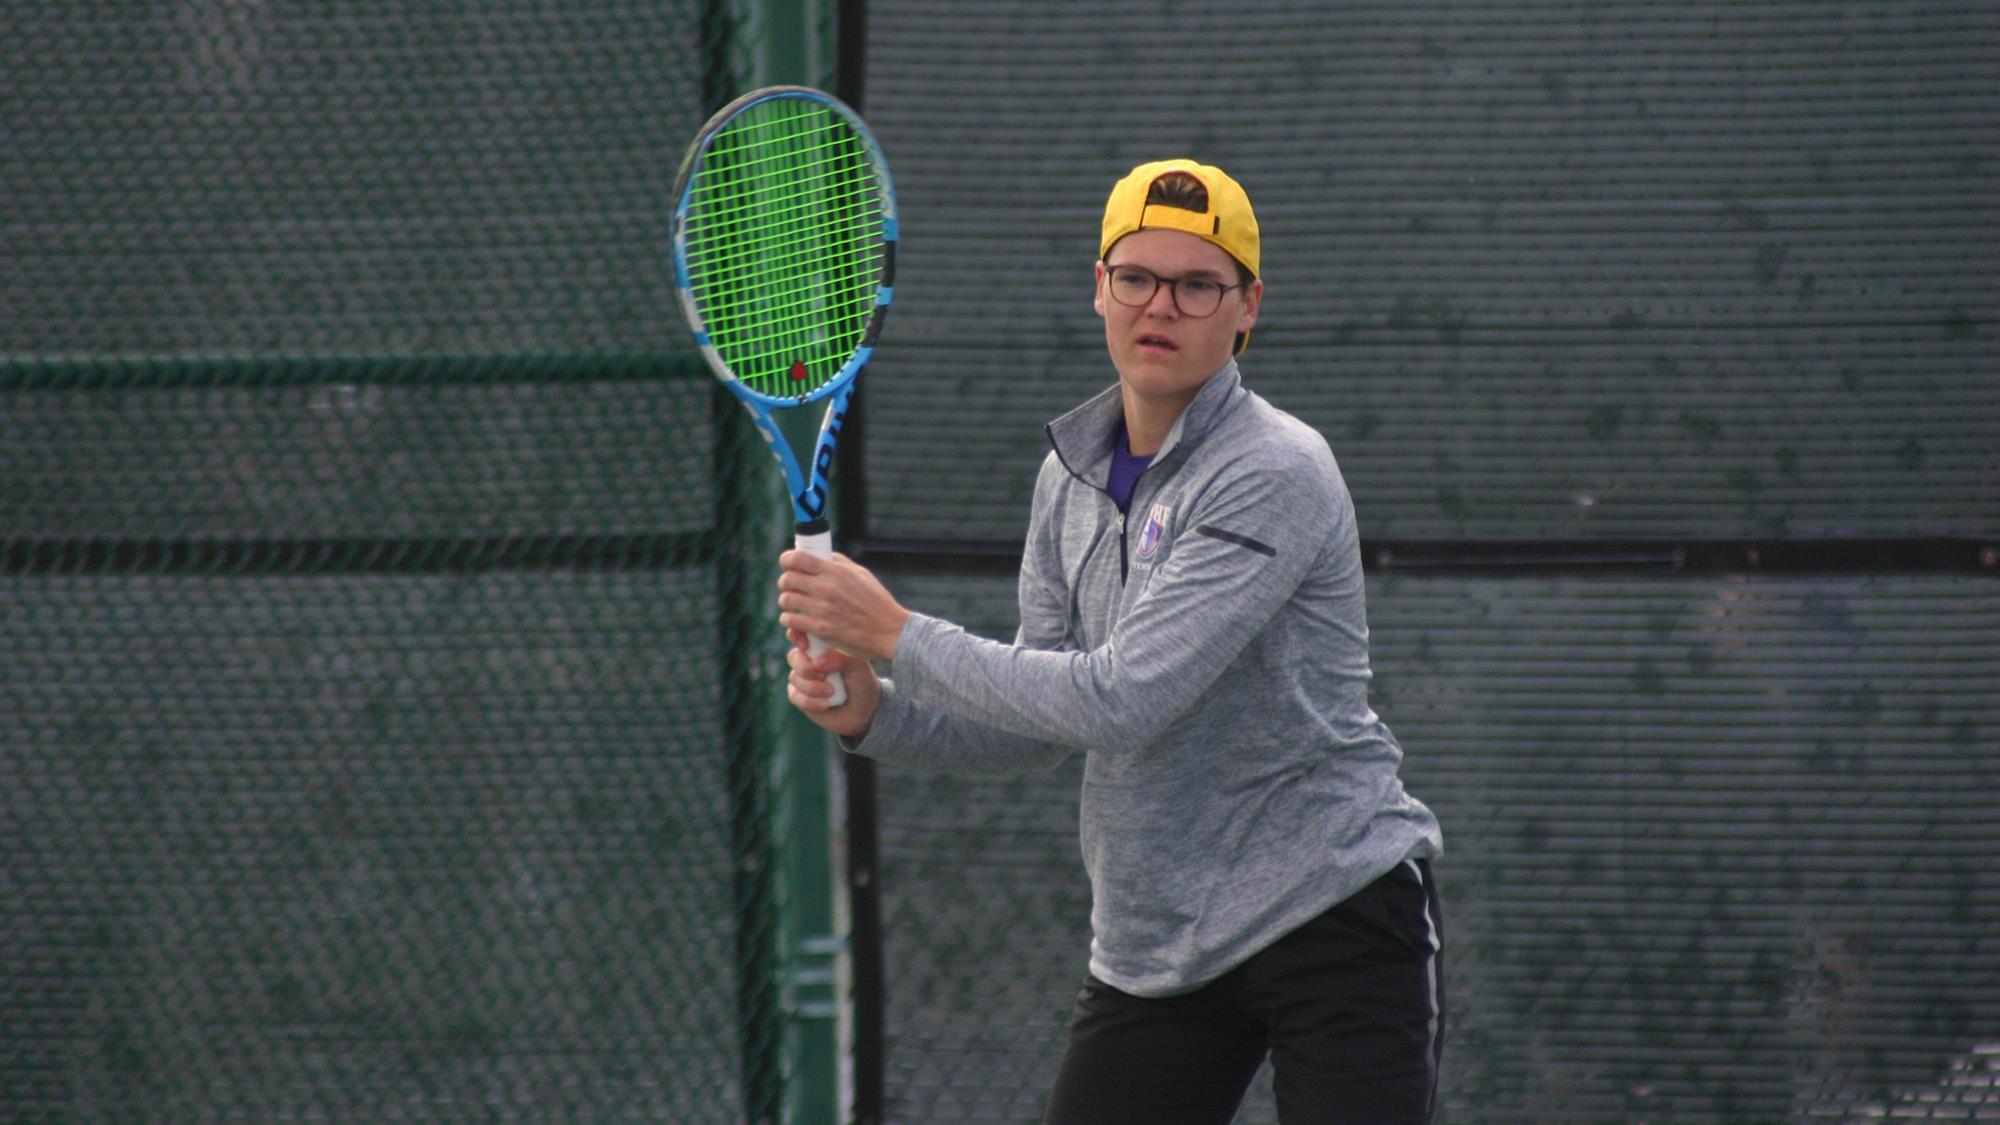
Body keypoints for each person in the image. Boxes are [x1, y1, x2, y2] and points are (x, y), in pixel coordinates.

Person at [776, 158, 1445, 1124]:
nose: (1159, 304)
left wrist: (894, 631)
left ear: (1247, 307)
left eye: (1197, 283)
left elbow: (1122, 698)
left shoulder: (1276, 470)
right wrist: (878, 709)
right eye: (1135, 276)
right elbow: (1040, 722)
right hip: (1155, 941)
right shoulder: (1069, 477)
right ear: (1099, 288)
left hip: (1332, 911)